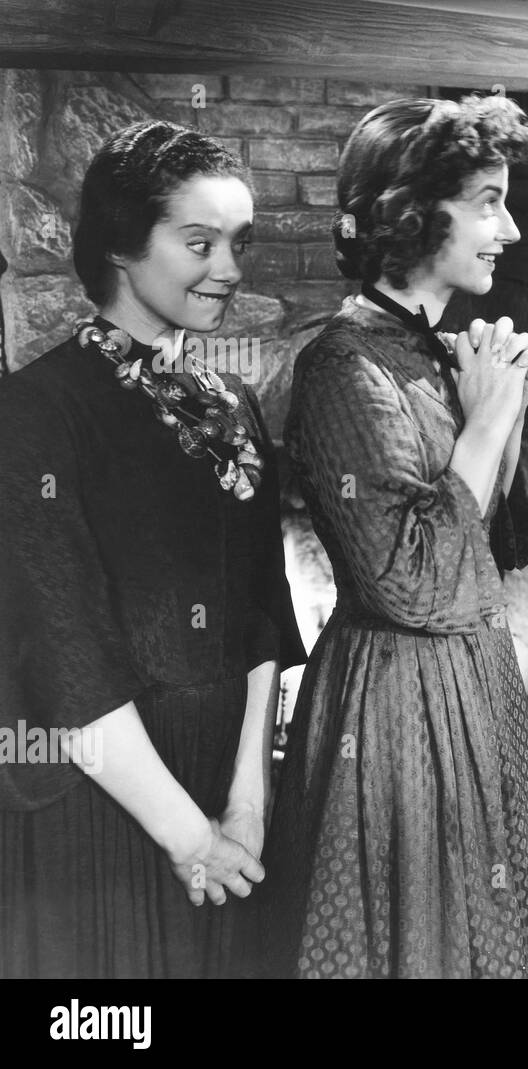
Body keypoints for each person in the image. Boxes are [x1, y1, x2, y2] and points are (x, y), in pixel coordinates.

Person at [0, 120, 305, 978]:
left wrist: (249, 799)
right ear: (124, 249)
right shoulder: (36, 410)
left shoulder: (236, 406)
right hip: (102, 800)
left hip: (221, 786)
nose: (231, 270)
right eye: (200, 242)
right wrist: (185, 835)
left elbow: (261, 610)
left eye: (237, 243)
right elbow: (67, 653)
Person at [261, 96, 528, 978]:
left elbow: (500, 549)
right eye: (488, 200)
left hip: (476, 687)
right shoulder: (344, 364)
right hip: (390, 710)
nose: (508, 226)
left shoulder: (441, 352)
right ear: (414, 212)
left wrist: (498, 412)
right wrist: (486, 425)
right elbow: (415, 583)